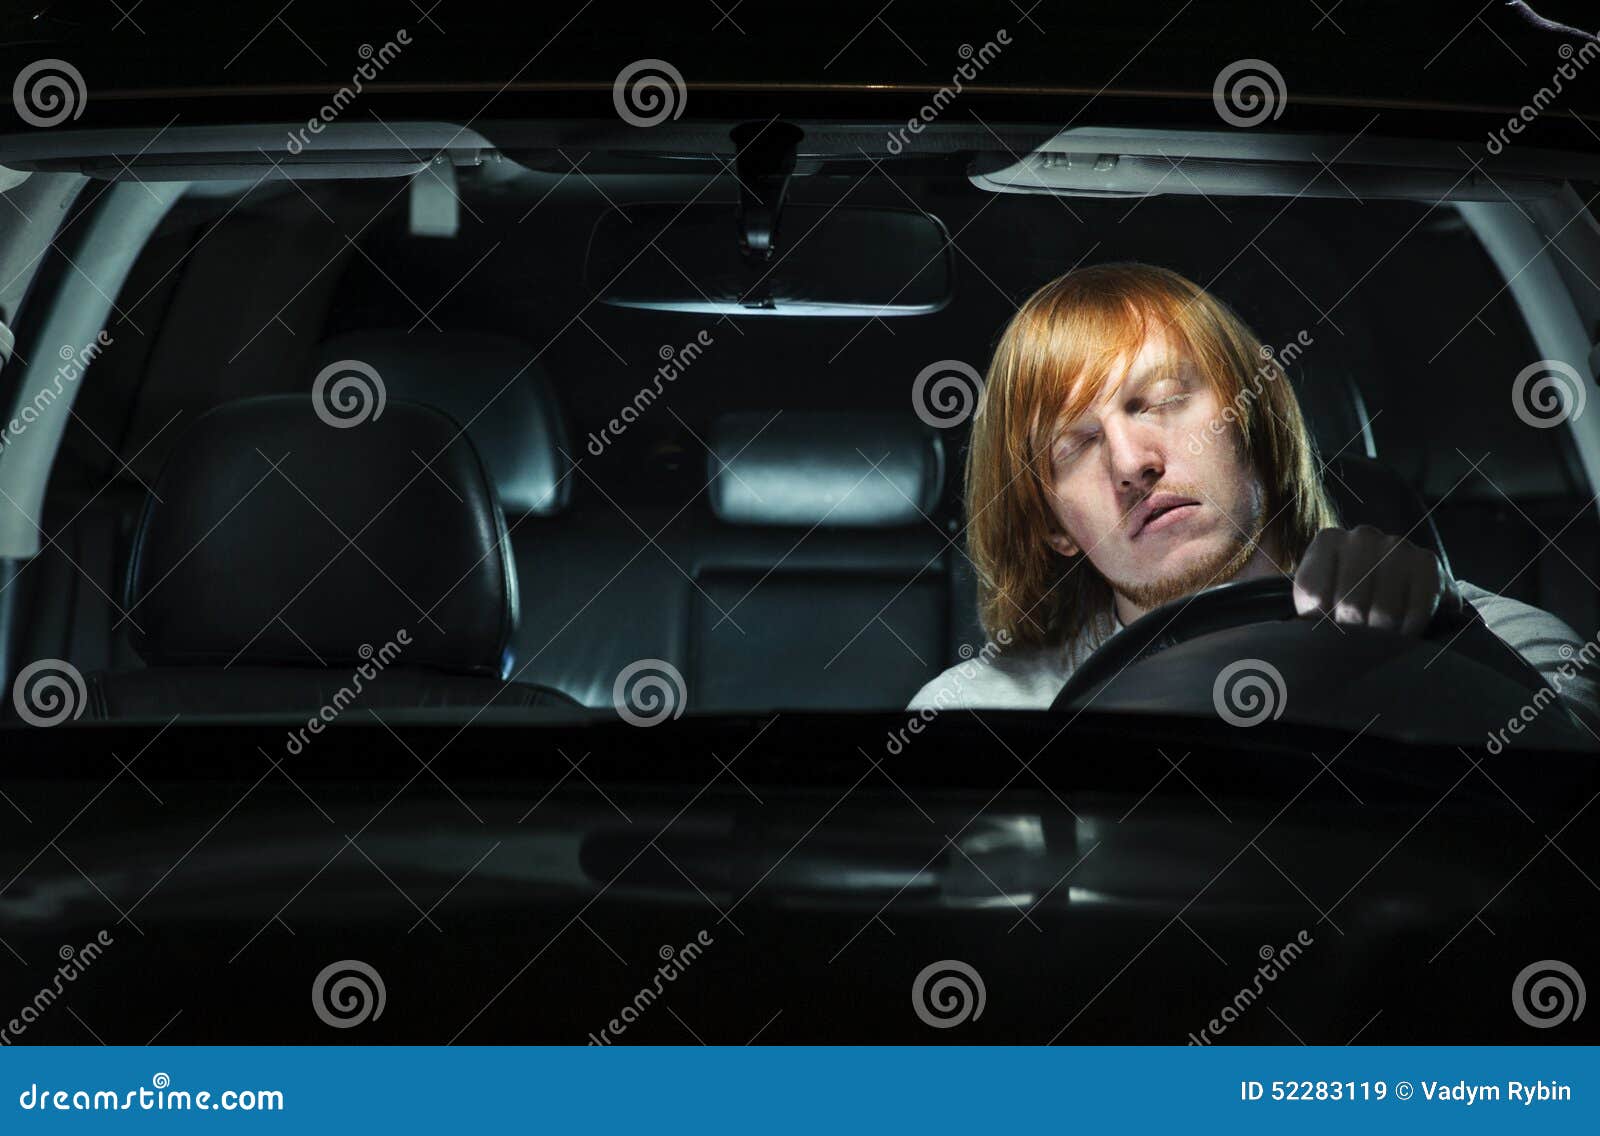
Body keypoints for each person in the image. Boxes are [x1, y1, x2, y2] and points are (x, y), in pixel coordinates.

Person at [908, 263, 1600, 736]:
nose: (1131, 463)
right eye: (1077, 445)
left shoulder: (1509, 644)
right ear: (1052, 526)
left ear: (1253, 421)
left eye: (1163, 401)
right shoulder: (977, 718)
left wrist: (1446, 651)